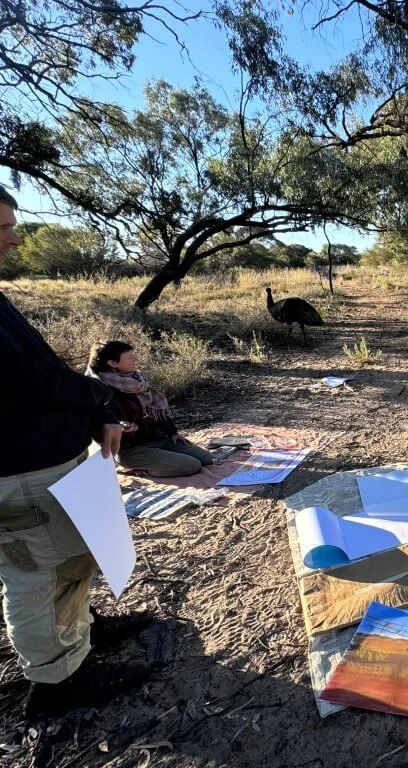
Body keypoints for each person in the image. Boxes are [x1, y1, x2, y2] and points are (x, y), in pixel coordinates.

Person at [0, 188, 152, 719]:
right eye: (1, 228)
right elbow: (30, 383)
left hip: (43, 462)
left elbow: (41, 378)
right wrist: (96, 400)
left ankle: (79, 629)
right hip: (16, 471)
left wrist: (96, 410)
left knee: (67, 558)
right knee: (38, 570)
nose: (15, 239)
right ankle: (57, 678)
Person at [86, 340, 214, 476]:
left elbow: (156, 410)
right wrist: (121, 425)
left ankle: (163, 458)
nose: (135, 360)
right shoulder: (99, 390)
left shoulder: (135, 381)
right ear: (112, 363)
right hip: (131, 448)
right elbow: (100, 425)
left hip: (157, 439)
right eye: (130, 358)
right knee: (191, 466)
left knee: (206, 458)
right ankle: (138, 469)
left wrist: (172, 432)